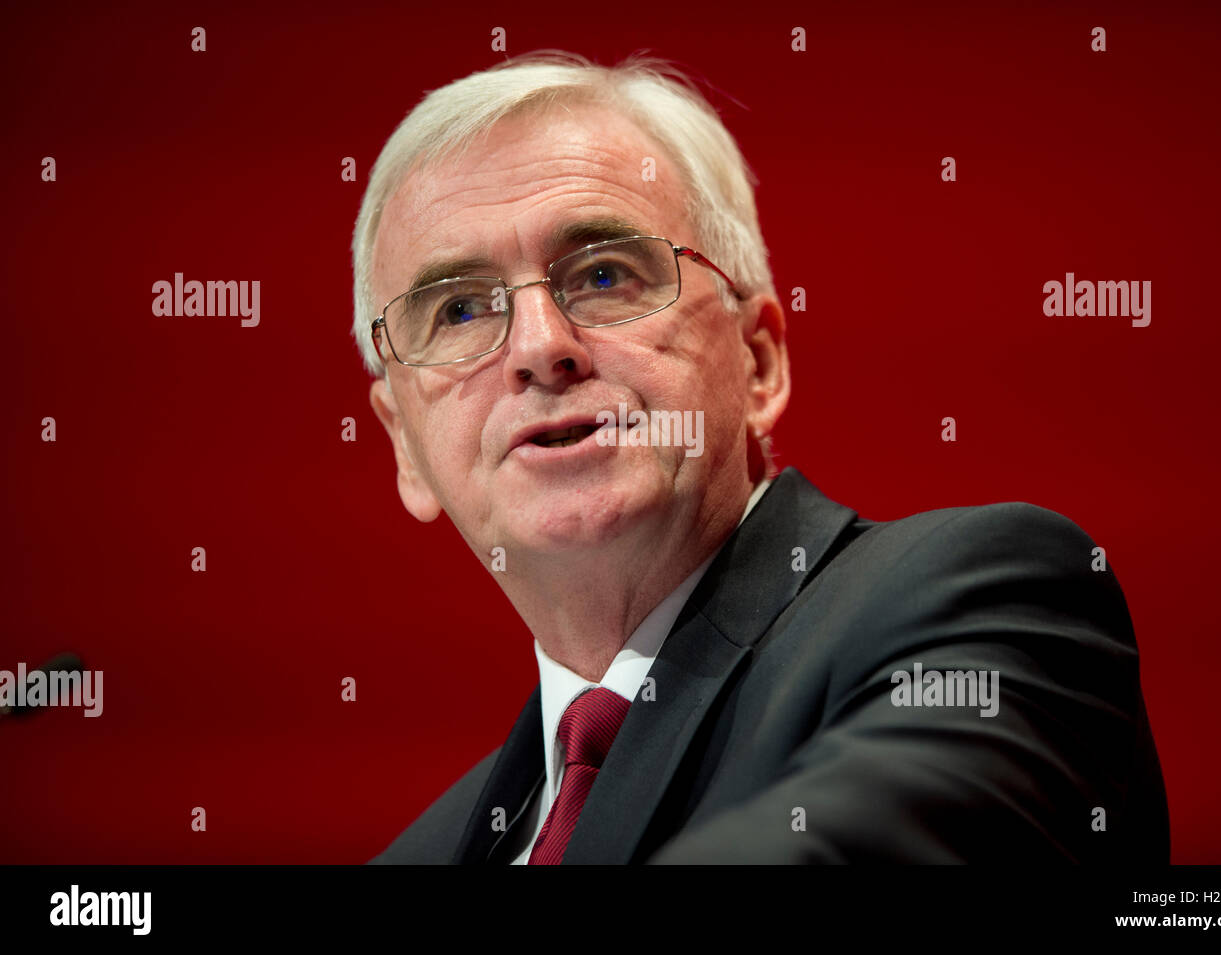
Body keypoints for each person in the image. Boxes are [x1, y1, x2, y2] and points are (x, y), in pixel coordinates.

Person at [353, 51, 1169, 864]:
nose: (539, 348)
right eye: (457, 309)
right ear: (406, 448)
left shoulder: (988, 603)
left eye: (604, 273)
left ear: (759, 362)